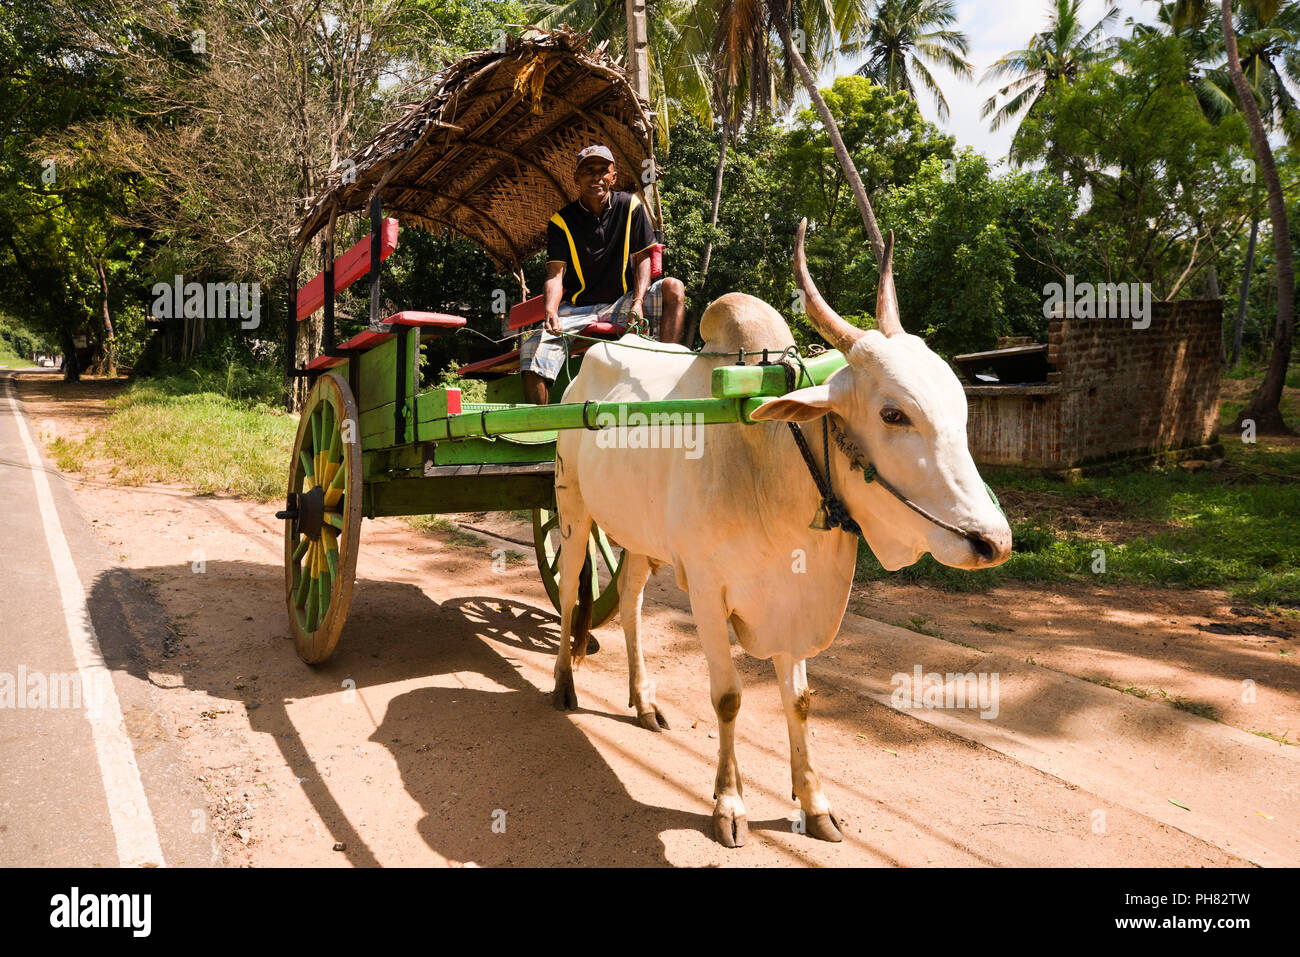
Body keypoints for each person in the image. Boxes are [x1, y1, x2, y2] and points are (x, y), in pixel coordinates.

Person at [519, 144, 685, 405]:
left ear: (613, 177)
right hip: (577, 309)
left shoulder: (631, 206)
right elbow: (555, 274)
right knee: (530, 354)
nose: (596, 177)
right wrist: (550, 311)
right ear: (576, 178)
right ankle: (544, 426)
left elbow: (643, 257)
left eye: (602, 171)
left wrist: (638, 302)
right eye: (588, 171)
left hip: (622, 302)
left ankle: (667, 370)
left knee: (674, 288)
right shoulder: (561, 221)